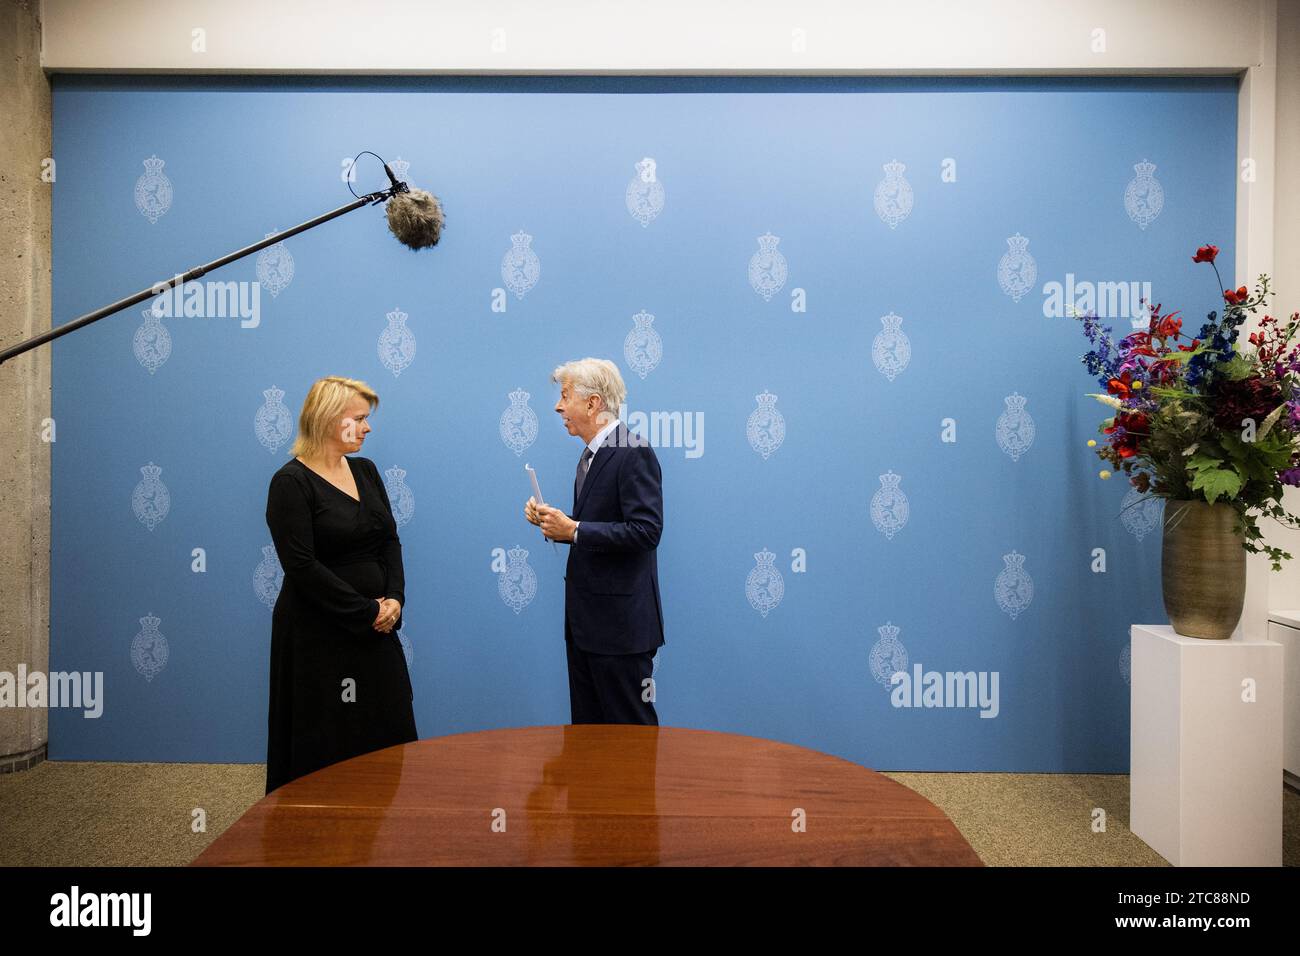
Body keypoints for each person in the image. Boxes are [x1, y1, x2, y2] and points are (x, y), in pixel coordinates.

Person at [264, 376, 416, 793]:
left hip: (377, 628)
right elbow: (301, 566)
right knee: (326, 741)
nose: (368, 428)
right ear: (331, 419)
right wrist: (367, 611)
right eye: (360, 419)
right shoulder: (290, 483)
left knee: (387, 729)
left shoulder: (366, 471)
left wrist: (395, 600)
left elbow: (389, 540)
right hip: (319, 635)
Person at [524, 358, 664, 725]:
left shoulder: (632, 451)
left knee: (629, 739)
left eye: (565, 396)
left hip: (620, 632)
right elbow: (597, 528)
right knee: (589, 741)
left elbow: (646, 531)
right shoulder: (590, 456)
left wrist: (573, 530)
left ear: (592, 403)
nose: (558, 407)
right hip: (586, 629)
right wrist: (557, 525)